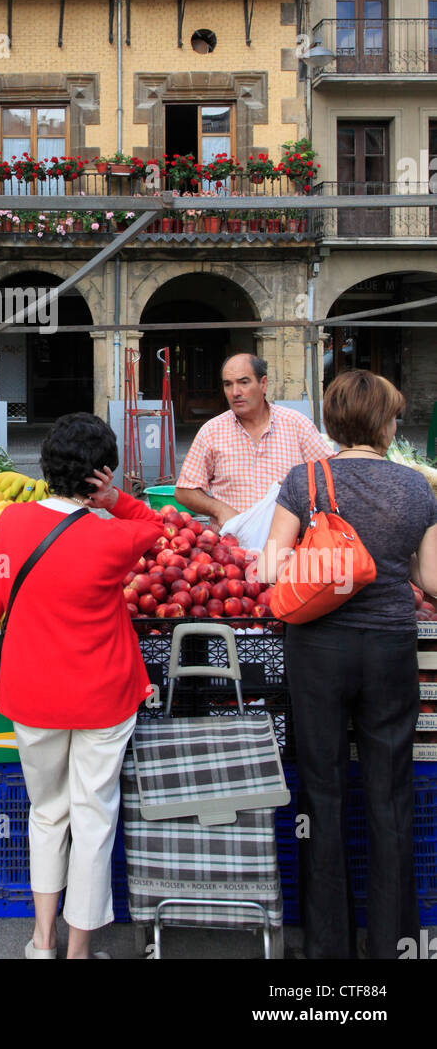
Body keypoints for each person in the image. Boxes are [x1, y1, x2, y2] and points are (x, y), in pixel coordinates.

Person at [0, 412, 163, 960]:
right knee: (93, 819)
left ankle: (42, 941)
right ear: (102, 472)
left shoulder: (15, 524)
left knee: (46, 813)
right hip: (104, 695)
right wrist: (113, 498)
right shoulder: (115, 536)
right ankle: (79, 952)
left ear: (45, 468)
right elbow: (155, 528)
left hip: (33, 695)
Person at [261, 370, 437, 960]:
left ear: (335, 422)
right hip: (390, 648)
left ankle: (325, 949)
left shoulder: (305, 479)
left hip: (318, 649)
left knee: (323, 790)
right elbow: (431, 580)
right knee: (390, 795)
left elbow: (269, 568)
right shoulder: (417, 489)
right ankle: (396, 945)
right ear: (385, 423)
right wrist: (390, 567)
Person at [175, 352, 334, 527]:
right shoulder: (212, 431)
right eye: (228, 384)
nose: (235, 392)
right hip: (230, 547)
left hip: (289, 543)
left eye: (244, 382)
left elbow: (331, 476)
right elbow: (184, 491)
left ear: (263, 384)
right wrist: (219, 509)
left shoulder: (297, 425)